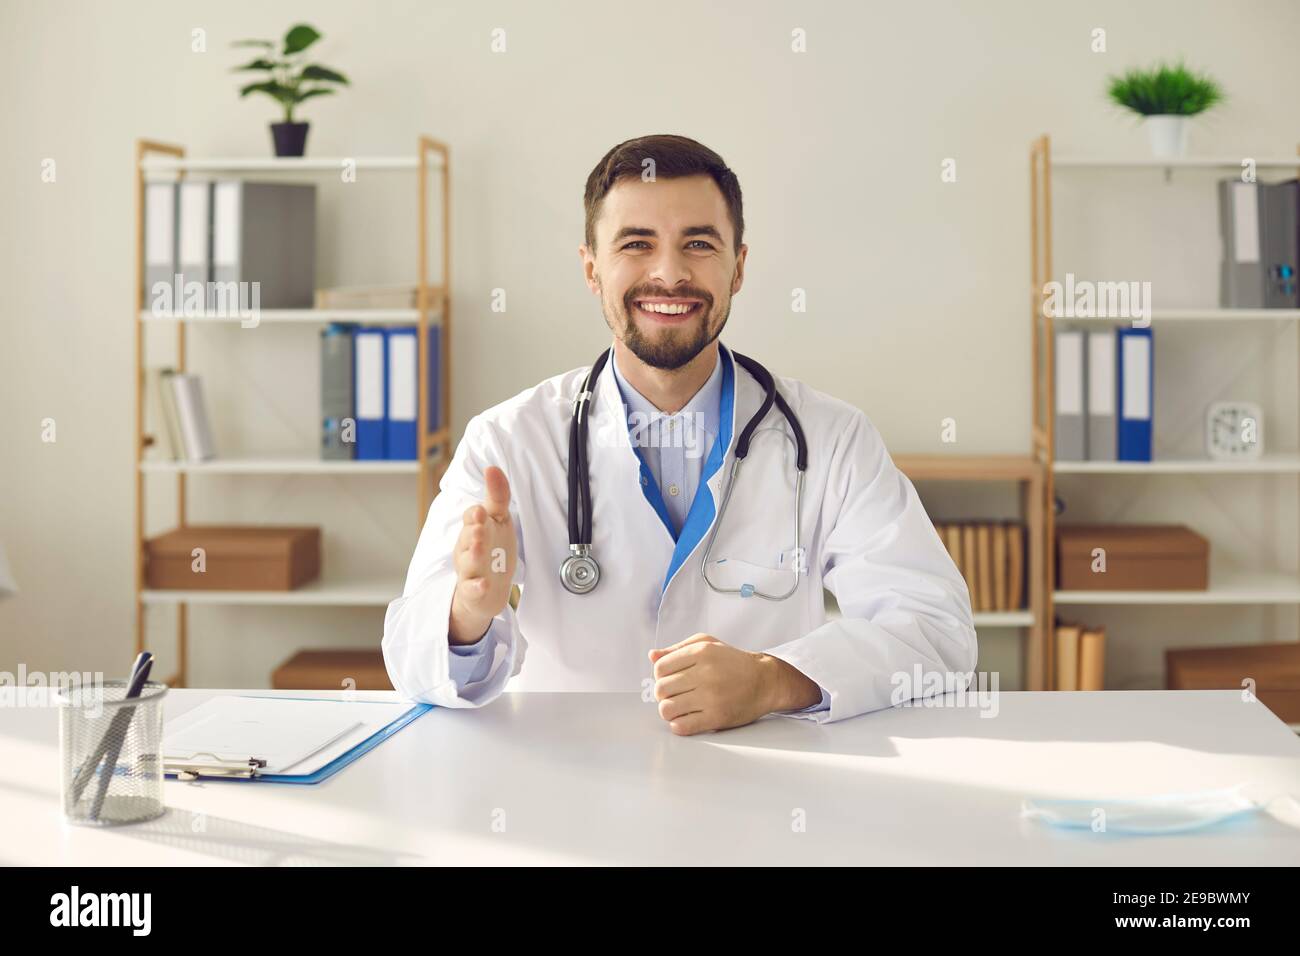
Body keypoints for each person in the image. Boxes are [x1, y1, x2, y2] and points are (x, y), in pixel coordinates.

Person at [383, 134, 976, 735]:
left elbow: (935, 628)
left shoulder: (831, 439)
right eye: (636, 244)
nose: (669, 274)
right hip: (568, 797)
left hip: (771, 792)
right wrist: (468, 615)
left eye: (698, 243)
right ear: (592, 268)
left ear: (738, 267)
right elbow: (412, 659)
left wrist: (774, 679)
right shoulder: (508, 443)